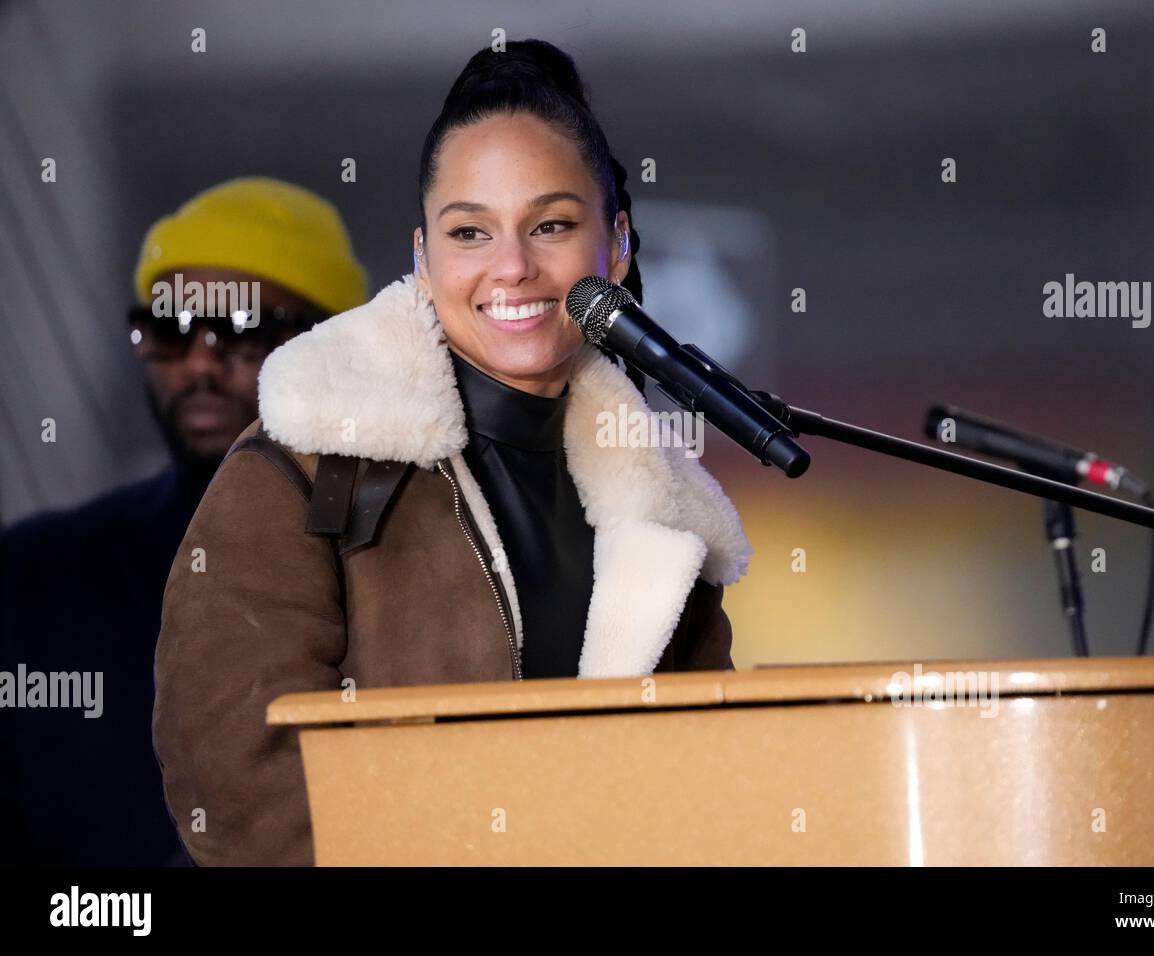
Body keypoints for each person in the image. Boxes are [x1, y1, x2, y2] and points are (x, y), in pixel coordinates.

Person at [152, 39, 753, 867]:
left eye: (552, 225)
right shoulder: (307, 459)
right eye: (470, 231)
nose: (511, 267)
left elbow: (711, 782)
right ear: (422, 259)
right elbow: (238, 776)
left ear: (614, 245)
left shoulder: (659, 510)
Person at [0, 177, 367, 864]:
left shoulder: (411, 556)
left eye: (241, 328)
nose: (199, 362)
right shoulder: (35, 573)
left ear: (332, 346)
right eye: (169, 328)